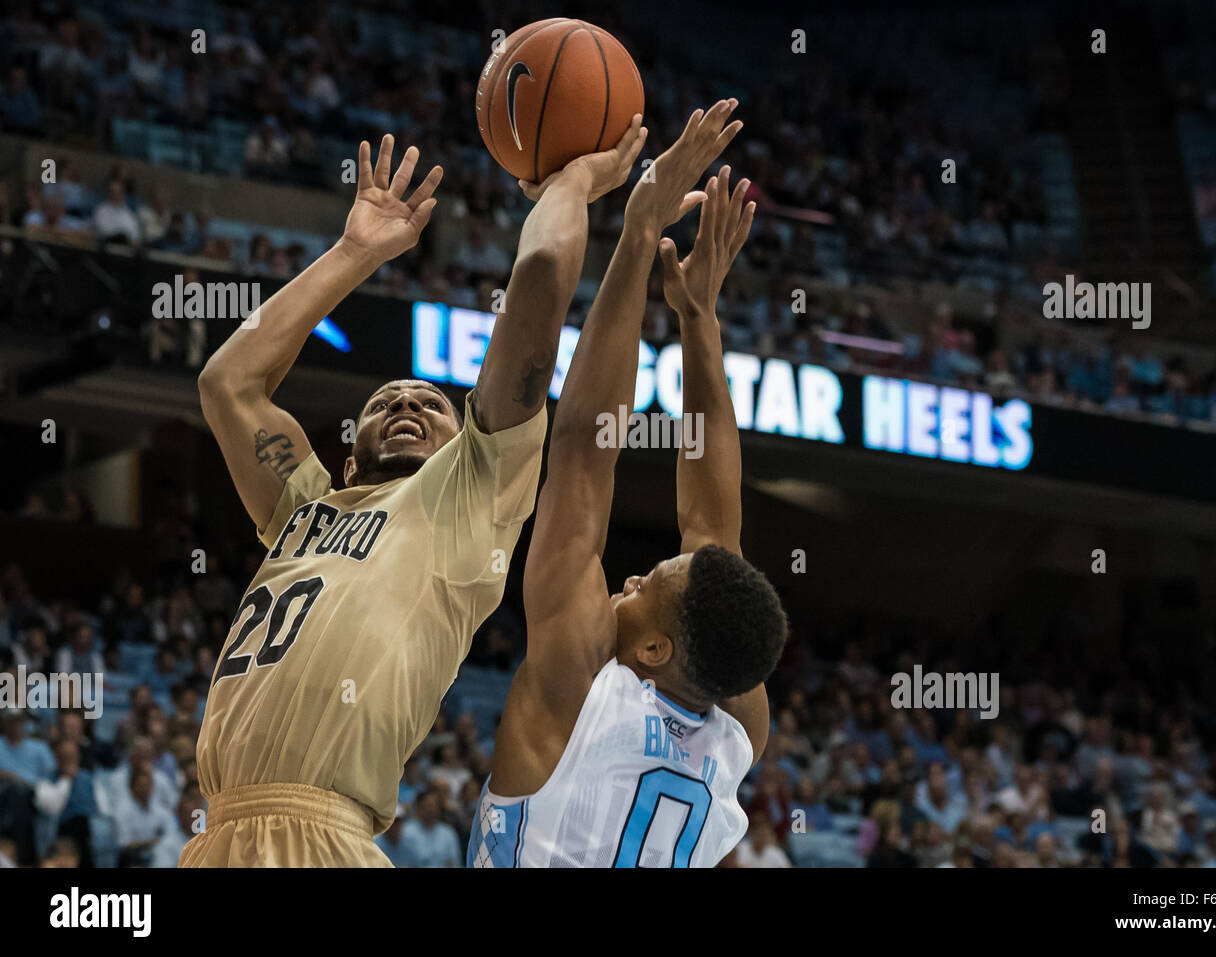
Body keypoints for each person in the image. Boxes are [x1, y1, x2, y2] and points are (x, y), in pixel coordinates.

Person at [182, 123, 646, 867]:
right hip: (215, 836)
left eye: (429, 403)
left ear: (460, 442)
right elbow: (226, 384)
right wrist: (355, 253)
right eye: (384, 400)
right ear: (346, 454)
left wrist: (570, 187)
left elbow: (536, 290)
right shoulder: (304, 511)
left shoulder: (465, 500)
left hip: (325, 837)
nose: (403, 403)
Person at [470, 101, 788, 868]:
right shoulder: (737, 724)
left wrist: (640, 233)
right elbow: (715, 536)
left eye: (649, 583)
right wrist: (697, 317)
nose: (635, 573)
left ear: (651, 646)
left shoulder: (578, 682)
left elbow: (582, 449)